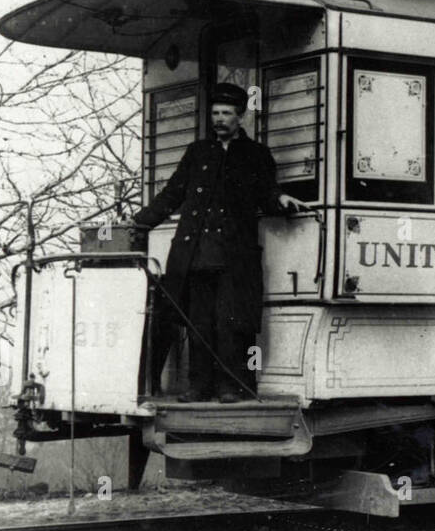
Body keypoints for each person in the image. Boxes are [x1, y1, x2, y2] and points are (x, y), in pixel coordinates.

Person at [131, 82, 308, 402]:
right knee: (198, 322)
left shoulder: (256, 155)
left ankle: (230, 386)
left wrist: (280, 198)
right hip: (196, 254)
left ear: (241, 117)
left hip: (234, 257)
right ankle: (199, 387)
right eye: (215, 113)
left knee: (230, 323)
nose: (219, 119)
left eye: (226, 113)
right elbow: (172, 194)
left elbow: (267, 191)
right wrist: (139, 223)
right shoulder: (197, 152)